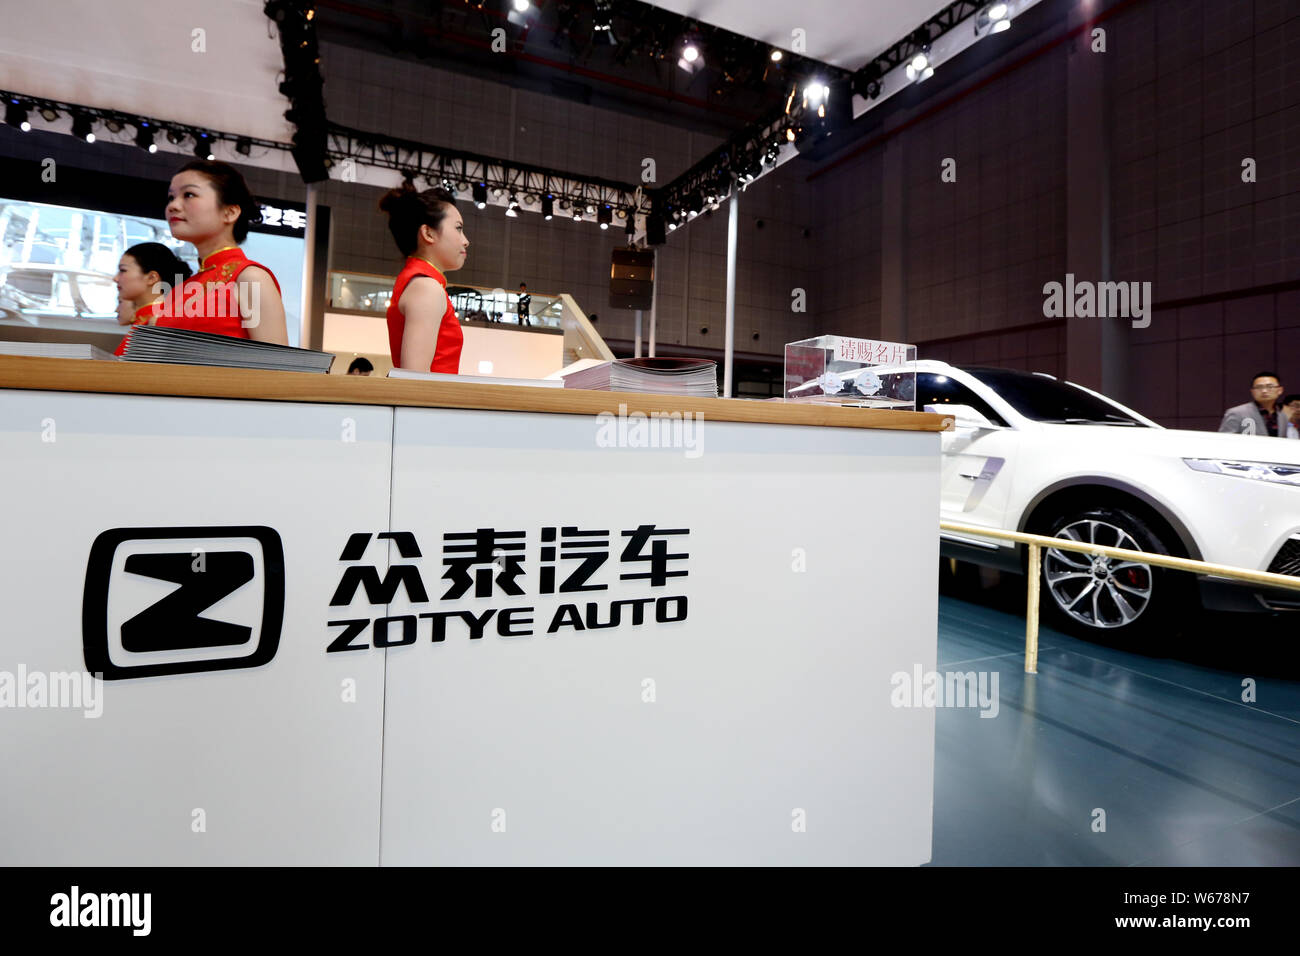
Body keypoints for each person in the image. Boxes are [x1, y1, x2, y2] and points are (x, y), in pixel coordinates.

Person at [155, 160, 288, 345]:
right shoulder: (181, 289)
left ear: (230, 212)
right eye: (171, 197)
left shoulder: (250, 278)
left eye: (189, 195)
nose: (173, 206)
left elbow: (277, 367)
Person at [379, 183, 468, 373]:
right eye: (458, 228)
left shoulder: (417, 281)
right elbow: (415, 378)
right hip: (433, 401)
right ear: (428, 233)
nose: (465, 240)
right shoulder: (426, 287)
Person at [111, 242, 193, 357]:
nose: (115, 278)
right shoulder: (144, 321)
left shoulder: (161, 322)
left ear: (152, 278)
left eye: (123, 270)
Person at [1219, 372, 1287, 436]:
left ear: (1280, 390)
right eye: (1259, 387)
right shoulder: (1236, 413)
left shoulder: (1283, 415)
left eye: (1270, 386)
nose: (1264, 391)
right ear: (1252, 391)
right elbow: (1225, 441)